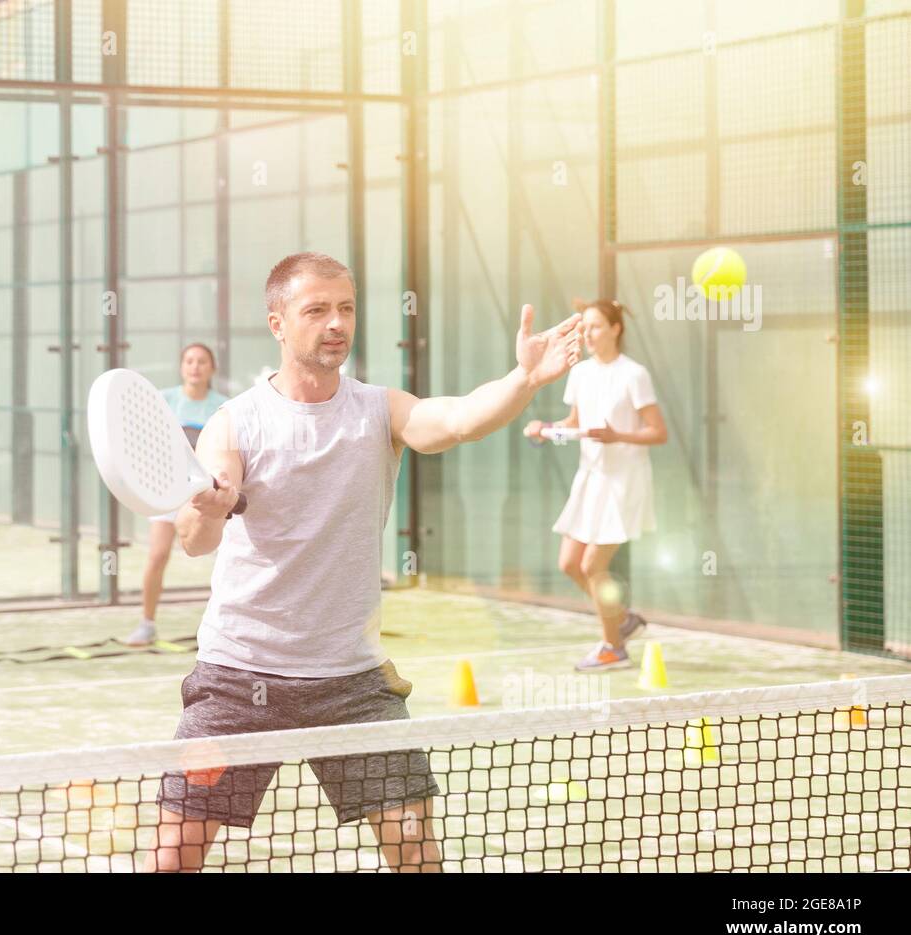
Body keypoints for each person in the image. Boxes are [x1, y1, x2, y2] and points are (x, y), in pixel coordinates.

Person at [145, 252, 585, 871]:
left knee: (413, 848)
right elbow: (194, 539)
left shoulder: (380, 409)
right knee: (173, 857)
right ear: (277, 324)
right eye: (316, 309)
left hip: (352, 682)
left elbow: (457, 421)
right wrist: (211, 506)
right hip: (239, 677)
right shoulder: (236, 421)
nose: (336, 323)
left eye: (346, 308)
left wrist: (524, 380)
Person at [523, 299, 668, 672]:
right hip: (590, 479)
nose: (587, 334)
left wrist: (618, 434)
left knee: (592, 566)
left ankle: (613, 647)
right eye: (584, 328)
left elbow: (658, 432)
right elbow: (574, 422)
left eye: (596, 327)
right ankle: (620, 618)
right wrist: (545, 429)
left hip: (625, 483)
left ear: (616, 329)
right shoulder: (581, 373)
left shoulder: (634, 374)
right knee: (570, 562)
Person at [125, 344, 229, 647]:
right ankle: (147, 624)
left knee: (226, 559)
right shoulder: (164, 400)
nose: (195, 367)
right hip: (167, 490)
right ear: (182, 367)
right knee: (157, 555)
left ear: (212, 368)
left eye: (202, 362)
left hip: (205, 494)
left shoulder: (223, 407)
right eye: (189, 361)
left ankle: (225, 630)